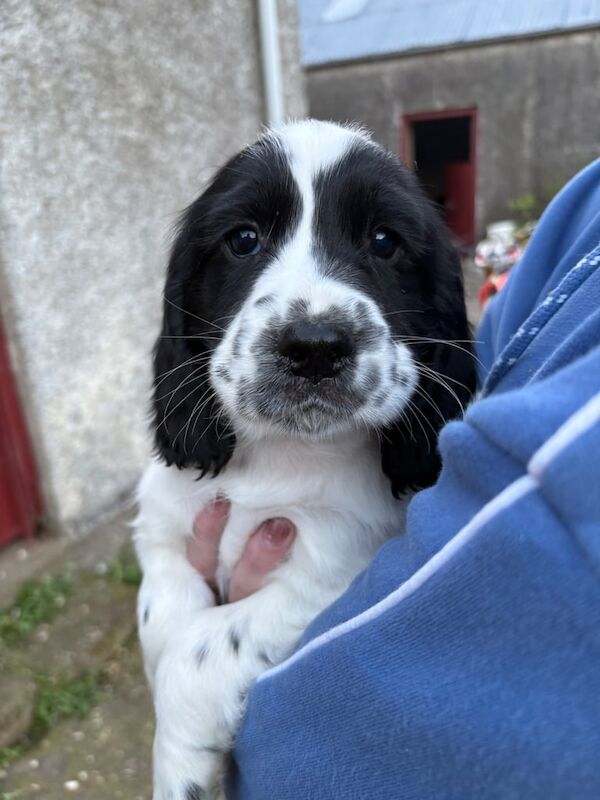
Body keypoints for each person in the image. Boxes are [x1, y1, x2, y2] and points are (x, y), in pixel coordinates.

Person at [187, 160, 600, 799]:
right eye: (245, 241)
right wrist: (176, 637)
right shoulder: (582, 214)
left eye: (384, 243)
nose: (315, 324)